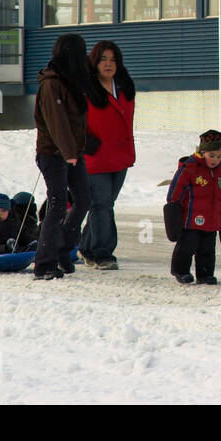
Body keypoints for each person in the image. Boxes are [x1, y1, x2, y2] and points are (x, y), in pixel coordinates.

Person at [33, 33, 106, 281]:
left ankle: (63, 250)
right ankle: (44, 263)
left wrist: (85, 145)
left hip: (71, 152)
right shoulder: (52, 84)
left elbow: (76, 120)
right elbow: (57, 122)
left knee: (83, 199)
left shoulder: (70, 81)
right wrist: (68, 152)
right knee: (57, 203)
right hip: (53, 154)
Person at [79, 41, 136, 271]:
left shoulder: (124, 87)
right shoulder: (85, 89)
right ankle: (103, 254)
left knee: (104, 205)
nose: (108, 64)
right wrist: (85, 142)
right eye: (103, 59)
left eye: (113, 60)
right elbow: (73, 120)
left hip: (120, 156)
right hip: (95, 157)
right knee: (101, 205)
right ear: (95, 62)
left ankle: (85, 246)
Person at [166, 130, 221, 285]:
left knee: (207, 250)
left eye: (219, 156)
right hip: (190, 221)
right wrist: (174, 211)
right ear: (202, 153)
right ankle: (180, 270)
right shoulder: (189, 169)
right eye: (212, 155)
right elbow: (175, 193)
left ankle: (205, 274)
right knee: (187, 246)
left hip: (211, 221)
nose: (215, 160)